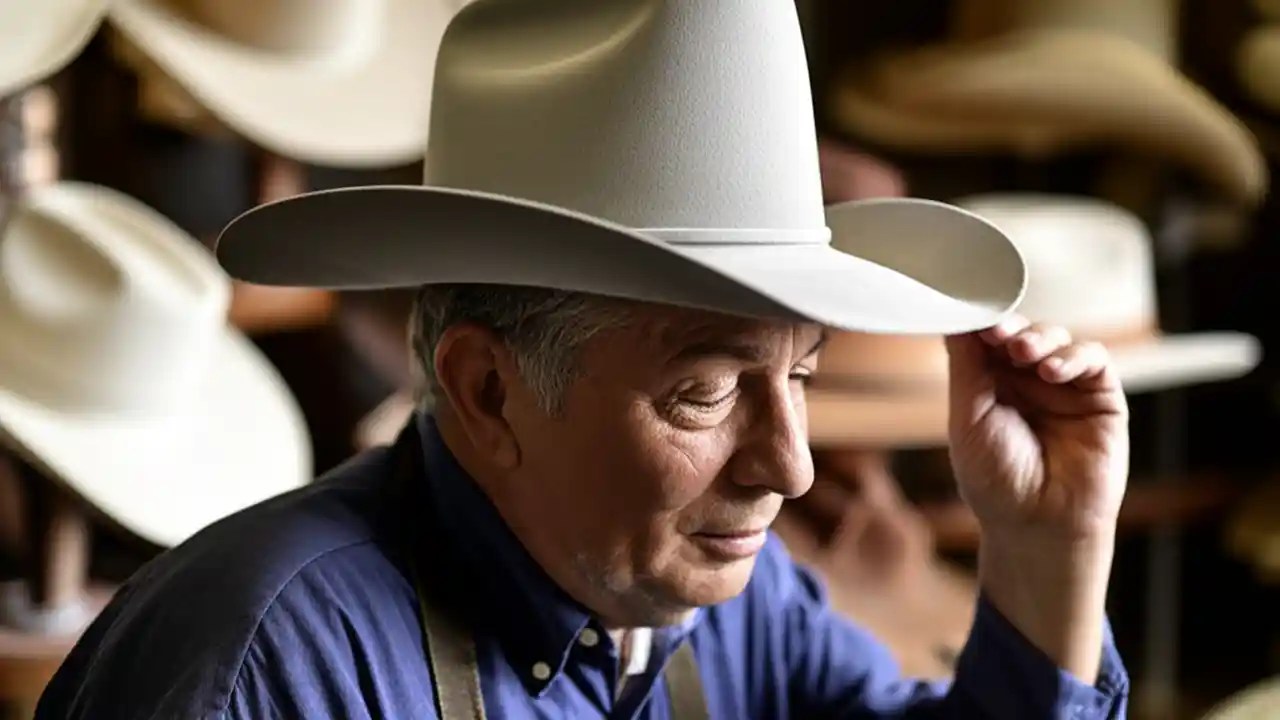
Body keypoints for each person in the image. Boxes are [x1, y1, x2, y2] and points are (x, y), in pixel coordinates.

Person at [36, 3, 1131, 718]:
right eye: (703, 391)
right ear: (487, 389)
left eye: (797, 373)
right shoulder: (262, 670)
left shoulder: (740, 609)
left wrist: (1049, 547)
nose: (789, 467)